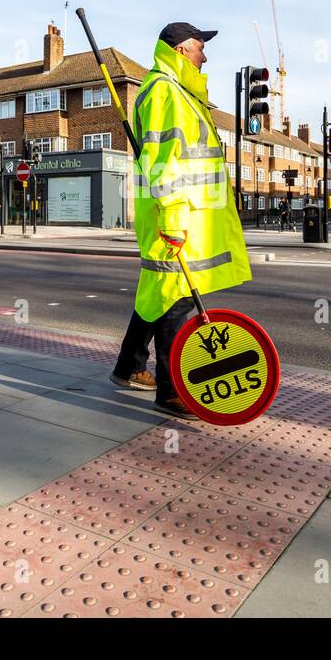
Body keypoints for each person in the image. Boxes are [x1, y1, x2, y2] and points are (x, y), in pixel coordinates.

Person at [110, 22, 252, 418]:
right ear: (180, 50)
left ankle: (130, 366)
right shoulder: (163, 92)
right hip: (175, 217)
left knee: (160, 292)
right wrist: (172, 217)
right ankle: (172, 391)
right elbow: (159, 162)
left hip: (188, 215)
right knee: (176, 301)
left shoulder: (180, 93)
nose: (205, 58)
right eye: (200, 49)